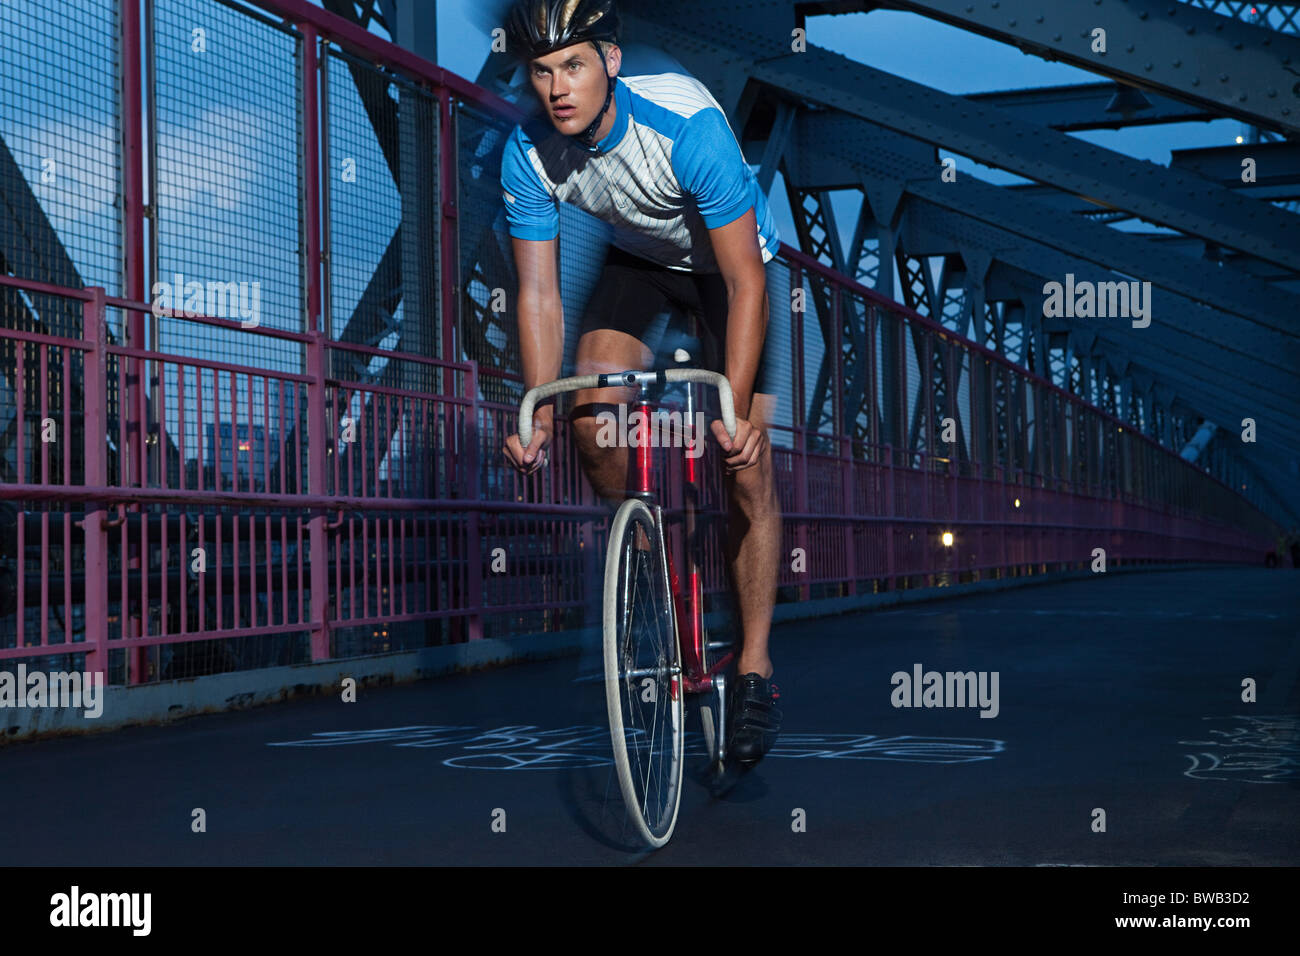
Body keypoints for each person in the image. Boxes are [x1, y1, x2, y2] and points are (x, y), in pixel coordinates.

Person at [498, 0, 783, 766]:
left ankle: (754, 669)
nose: (559, 88)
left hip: (730, 272)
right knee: (590, 415)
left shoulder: (685, 129)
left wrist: (735, 409)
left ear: (611, 63)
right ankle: (648, 559)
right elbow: (537, 296)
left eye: (576, 66)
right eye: (544, 71)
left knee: (745, 464)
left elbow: (746, 282)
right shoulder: (526, 152)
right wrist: (537, 413)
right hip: (643, 264)